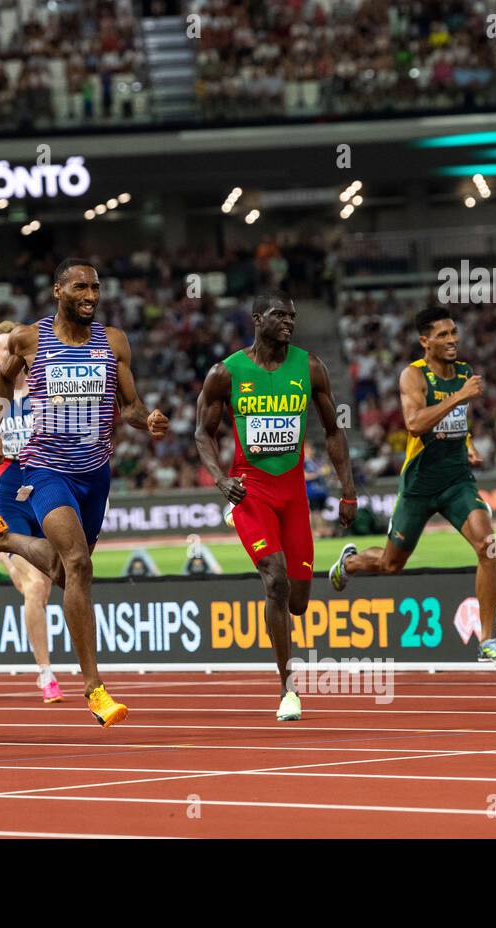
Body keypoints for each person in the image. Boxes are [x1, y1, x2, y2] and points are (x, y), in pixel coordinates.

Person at [0, 259, 168, 727]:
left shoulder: (114, 341)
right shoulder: (28, 339)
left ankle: (3, 540)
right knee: (78, 563)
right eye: (81, 286)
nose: (91, 295)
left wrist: (149, 420)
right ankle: (95, 689)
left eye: (96, 287)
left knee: (63, 571)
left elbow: (130, 405)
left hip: (95, 473)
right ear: (58, 290)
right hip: (45, 467)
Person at [194, 291, 357, 722]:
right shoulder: (225, 374)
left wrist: (348, 491)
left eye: (292, 315)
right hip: (250, 493)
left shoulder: (311, 367)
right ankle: (289, 688)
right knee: (276, 580)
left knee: (299, 601)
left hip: (294, 494)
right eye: (279, 315)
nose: (288, 322)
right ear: (256, 319)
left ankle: (315, 583)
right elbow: (202, 433)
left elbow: (333, 432)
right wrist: (220, 478)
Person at [328, 306, 496, 667]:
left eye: (454, 333)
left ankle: (488, 641)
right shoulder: (413, 377)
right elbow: (414, 424)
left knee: (487, 545)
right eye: (443, 335)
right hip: (419, 485)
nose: (452, 340)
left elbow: (460, 421)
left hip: (457, 479)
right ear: (424, 340)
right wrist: (459, 396)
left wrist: (469, 443)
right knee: (390, 564)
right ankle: (349, 564)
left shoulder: (464, 371)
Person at [0, 320, 59, 703]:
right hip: (8, 499)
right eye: (8, 350)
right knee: (34, 586)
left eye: (20, 349)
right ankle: (46, 674)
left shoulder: (46, 392)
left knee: (55, 582)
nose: (16, 356)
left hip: (47, 493)